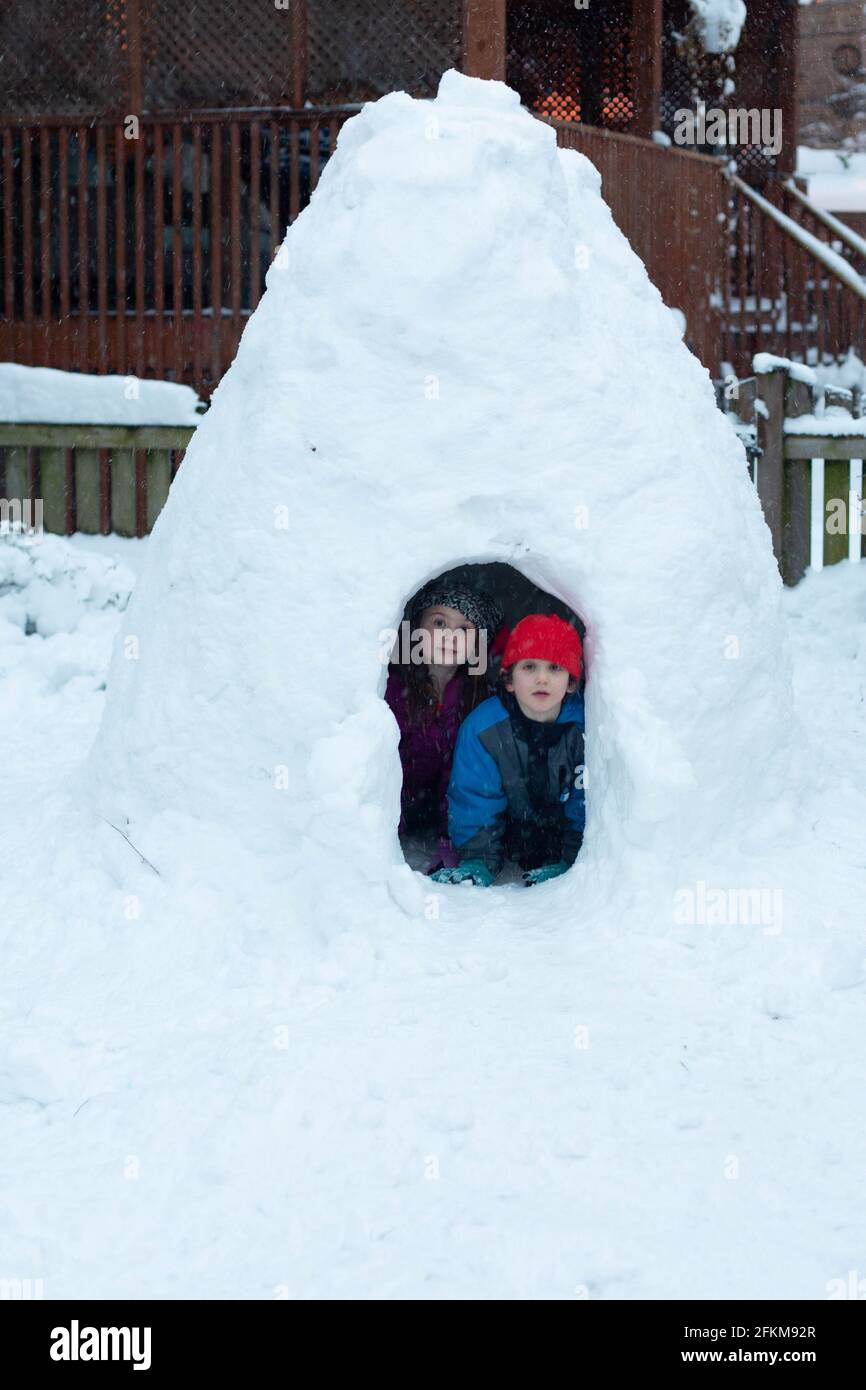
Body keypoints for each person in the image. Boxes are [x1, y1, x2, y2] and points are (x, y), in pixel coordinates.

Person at [432, 614, 585, 887]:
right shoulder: (484, 729)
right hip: (510, 832)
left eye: (555, 668)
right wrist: (477, 858)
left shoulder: (585, 729)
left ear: (571, 682)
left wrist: (575, 859)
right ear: (509, 679)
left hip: (561, 834)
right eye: (529, 667)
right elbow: (475, 797)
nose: (542, 679)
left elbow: (586, 800)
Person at [385, 581, 504, 873]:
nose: (450, 636)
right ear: (416, 629)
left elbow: (467, 779)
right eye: (440, 622)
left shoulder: (476, 699)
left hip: (442, 812)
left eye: (465, 629)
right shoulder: (391, 689)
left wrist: (453, 841)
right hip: (393, 807)